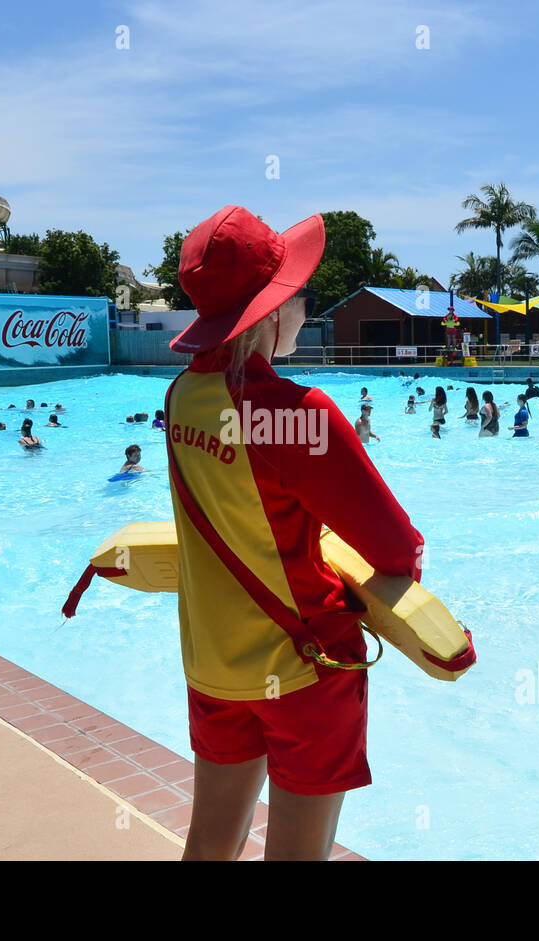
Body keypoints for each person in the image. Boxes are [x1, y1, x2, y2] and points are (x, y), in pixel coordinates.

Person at [163, 205, 424, 862]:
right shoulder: (300, 415)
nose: (305, 307)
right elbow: (395, 544)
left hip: (214, 663)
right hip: (305, 670)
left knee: (210, 844)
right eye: (300, 293)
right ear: (273, 311)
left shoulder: (179, 399)